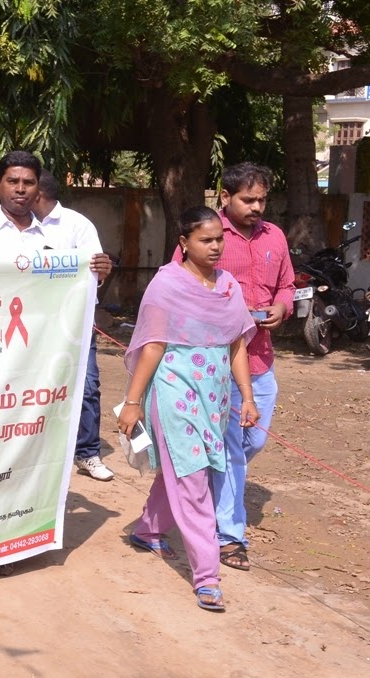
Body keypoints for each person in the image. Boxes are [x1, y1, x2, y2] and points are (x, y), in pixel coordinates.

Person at [119, 205, 258, 612]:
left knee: (185, 468)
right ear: (184, 242)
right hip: (173, 391)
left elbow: (236, 344)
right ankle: (207, 577)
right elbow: (153, 346)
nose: (216, 247)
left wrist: (247, 396)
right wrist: (132, 403)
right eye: (206, 240)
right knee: (195, 479)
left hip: (215, 396)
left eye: (219, 239)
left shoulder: (228, 286)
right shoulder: (166, 286)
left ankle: (147, 529)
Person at [172, 162, 294, 572]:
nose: (257, 206)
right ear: (225, 197)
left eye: (262, 199)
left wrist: (281, 306)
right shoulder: (206, 235)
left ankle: (190, 497)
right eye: (248, 199)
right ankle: (229, 537)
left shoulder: (274, 236)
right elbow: (179, 287)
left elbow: (287, 285)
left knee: (250, 444)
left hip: (260, 360)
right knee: (231, 452)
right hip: (213, 365)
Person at [33, 170, 116, 481]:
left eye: (28, 187)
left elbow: (96, 269)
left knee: (87, 384)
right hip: (32, 321)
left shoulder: (77, 225)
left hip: (73, 322)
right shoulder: (18, 227)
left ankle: (87, 453)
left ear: (38, 194)